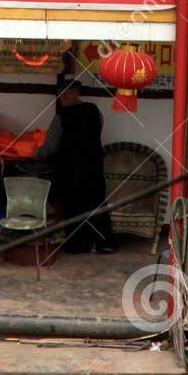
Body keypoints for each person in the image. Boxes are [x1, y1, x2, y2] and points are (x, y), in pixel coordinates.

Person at [49, 81, 116, 254]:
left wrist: (35, 154)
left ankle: (78, 245)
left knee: (73, 206)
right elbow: (97, 132)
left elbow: (51, 146)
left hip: (70, 169)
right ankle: (105, 243)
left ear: (64, 95)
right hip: (93, 166)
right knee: (97, 203)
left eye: (62, 95)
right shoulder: (95, 112)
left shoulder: (62, 116)